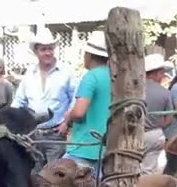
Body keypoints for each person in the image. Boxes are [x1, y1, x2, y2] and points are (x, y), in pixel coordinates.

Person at [12, 32, 75, 164]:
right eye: (43, 49)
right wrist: (12, 119)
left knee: (53, 175)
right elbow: (19, 101)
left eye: (50, 48)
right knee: (33, 172)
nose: (48, 53)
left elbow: (75, 99)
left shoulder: (66, 72)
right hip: (32, 134)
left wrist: (66, 123)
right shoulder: (29, 74)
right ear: (36, 52)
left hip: (56, 134)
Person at [57, 36, 111, 171]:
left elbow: (79, 112)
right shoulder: (114, 76)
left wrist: (68, 116)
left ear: (89, 55)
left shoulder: (91, 77)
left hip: (84, 147)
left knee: (52, 181)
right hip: (108, 147)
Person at [141, 54, 174, 174]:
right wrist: (160, 125)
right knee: (148, 170)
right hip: (155, 134)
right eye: (162, 73)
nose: (163, 76)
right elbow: (169, 118)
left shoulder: (135, 90)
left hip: (134, 134)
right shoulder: (165, 93)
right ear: (156, 74)